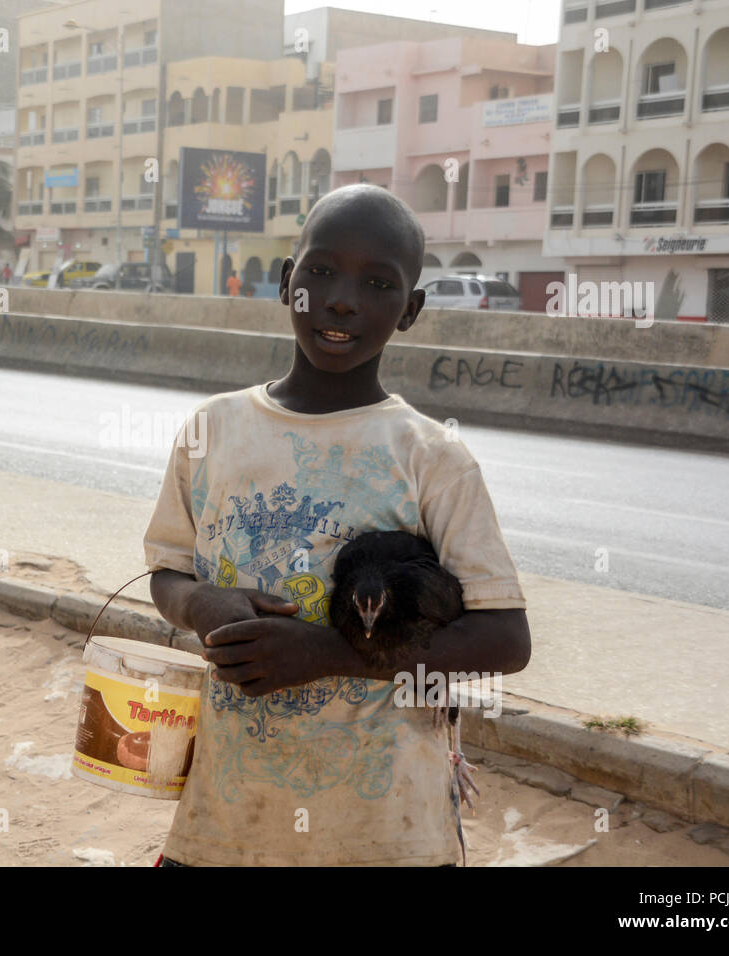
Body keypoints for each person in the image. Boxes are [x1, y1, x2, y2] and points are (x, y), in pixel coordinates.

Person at [142, 183, 531, 867]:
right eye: (320, 271)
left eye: (377, 283)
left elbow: (504, 639)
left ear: (409, 310)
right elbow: (168, 571)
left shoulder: (431, 457)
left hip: (385, 834)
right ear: (287, 282)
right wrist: (200, 602)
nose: (343, 299)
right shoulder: (213, 429)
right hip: (227, 825)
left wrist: (327, 654)